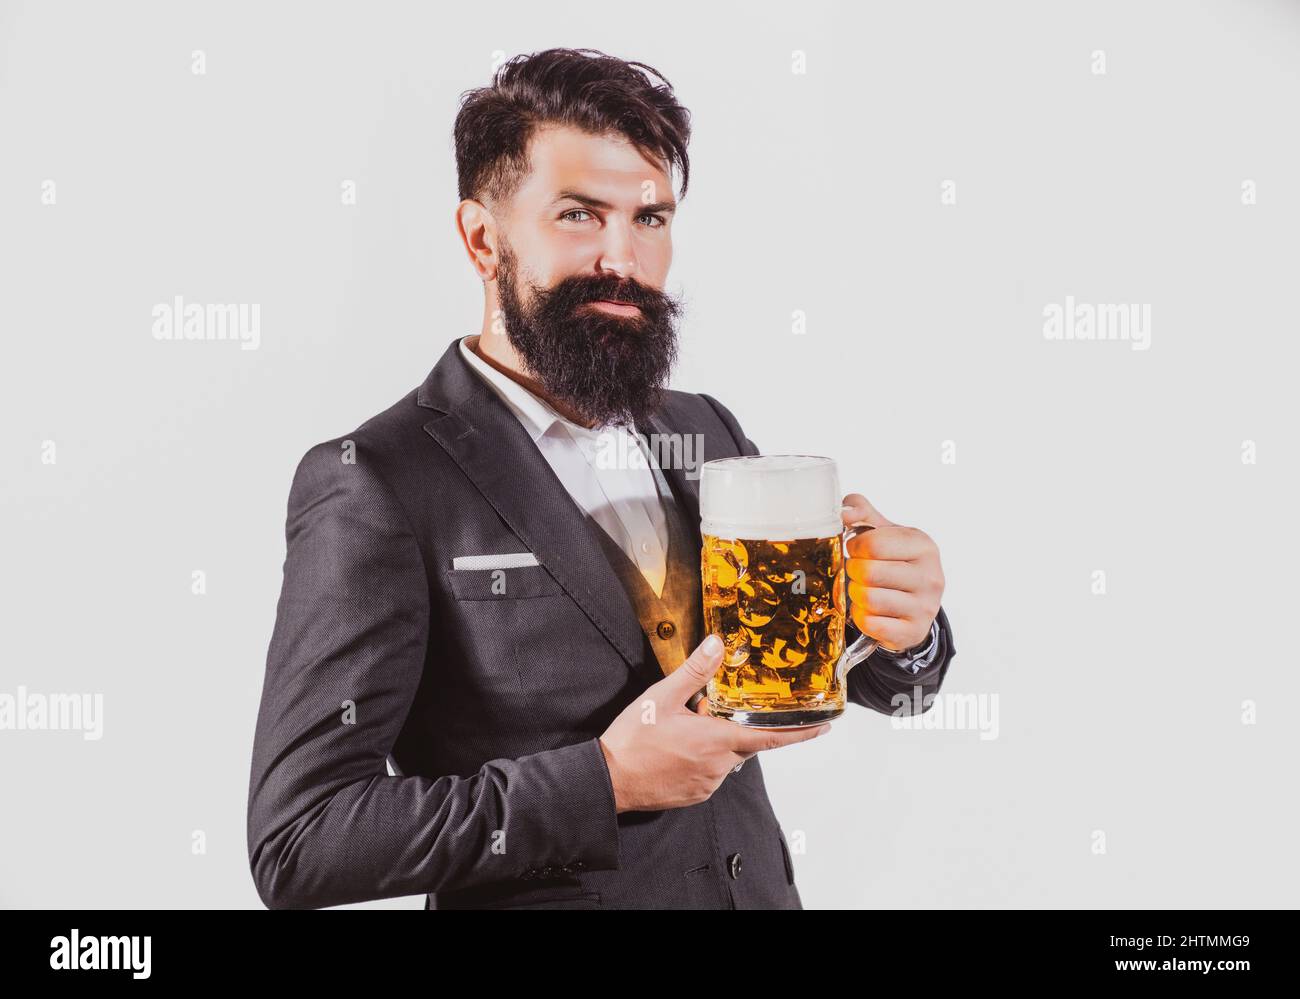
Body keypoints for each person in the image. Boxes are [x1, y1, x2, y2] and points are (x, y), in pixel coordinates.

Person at [246, 47, 955, 910]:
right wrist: (604, 780)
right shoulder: (377, 481)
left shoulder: (703, 427)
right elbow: (301, 840)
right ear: (482, 238)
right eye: (580, 215)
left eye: (650, 219)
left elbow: (882, 688)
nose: (623, 257)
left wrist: (904, 625)